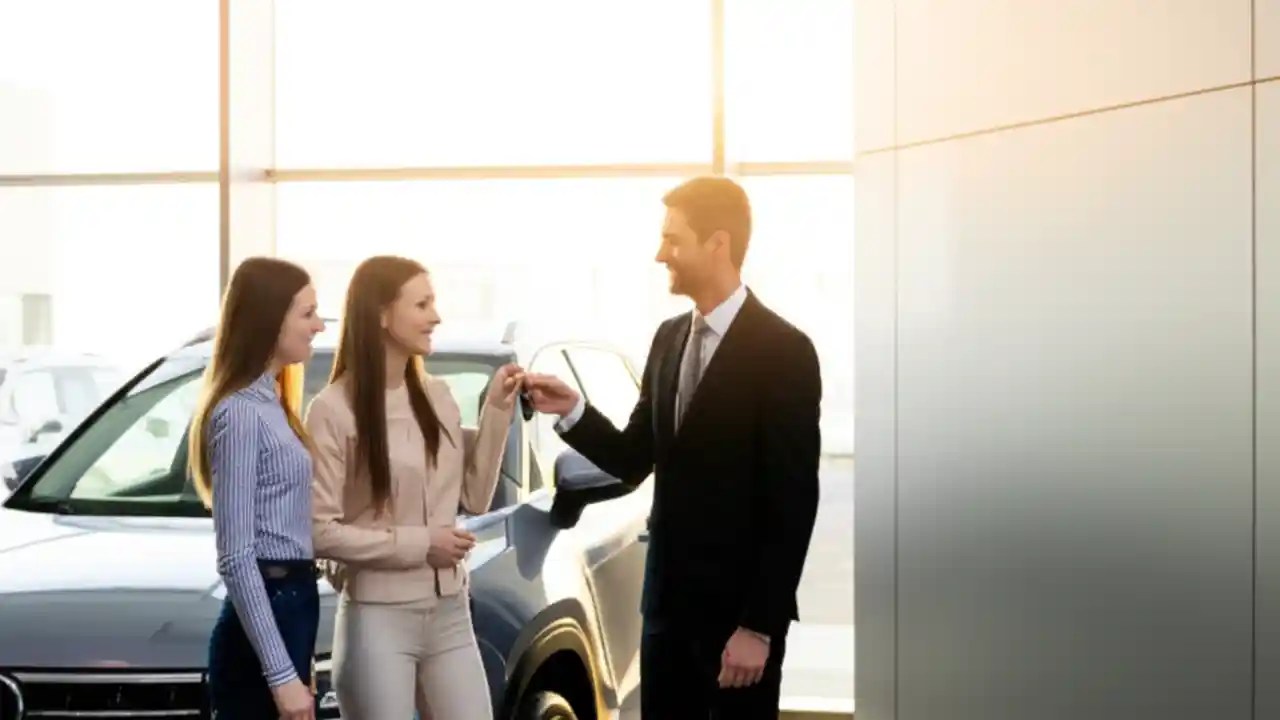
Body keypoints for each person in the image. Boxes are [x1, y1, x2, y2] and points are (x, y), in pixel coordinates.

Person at [524, 176, 822, 719]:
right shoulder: (666, 339)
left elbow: (793, 503)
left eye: (673, 239)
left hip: (737, 625)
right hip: (664, 617)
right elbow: (634, 458)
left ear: (718, 243)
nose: (661, 254)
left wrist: (758, 626)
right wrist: (573, 411)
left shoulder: (786, 352)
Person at [305, 255, 523, 720]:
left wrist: (498, 412)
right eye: (422, 304)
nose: (436, 316)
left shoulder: (438, 397)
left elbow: (475, 495)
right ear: (382, 315)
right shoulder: (332, 410)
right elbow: (320, 533)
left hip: (450, 613)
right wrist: (423, 543)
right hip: (377, 619)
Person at [190, 256, 327, 720]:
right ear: (270, 317)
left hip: (292, 604)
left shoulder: (271, 401)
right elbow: (234, 556)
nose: (319, 325)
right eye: (307, 313)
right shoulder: (240, 413)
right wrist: (281, 676)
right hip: (268, 612)